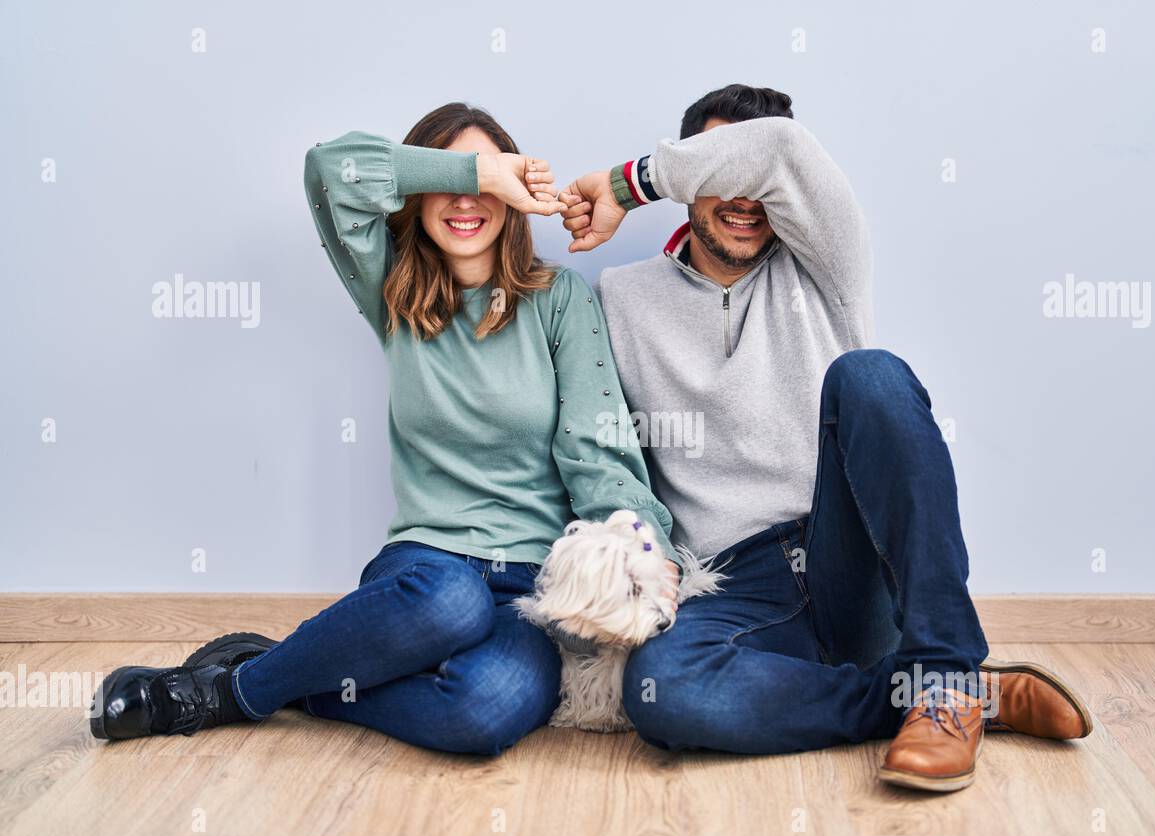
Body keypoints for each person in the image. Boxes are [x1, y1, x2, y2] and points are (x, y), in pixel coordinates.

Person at [90, 103, 678, 755]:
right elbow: (328, 170)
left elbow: (598, 450)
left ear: (511, 203)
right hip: (427, 569)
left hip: (528, 580)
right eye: (451, 184)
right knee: (452, 603)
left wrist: (647, 551)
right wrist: (478, 169)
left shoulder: (559, 299)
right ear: (419, 198)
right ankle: (222, 694)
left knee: (486, 712)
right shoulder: (394, 289)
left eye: (485, 188)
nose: (467, 201)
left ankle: (290, 676)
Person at [558, 85, 1091, 792]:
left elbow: (783, 150)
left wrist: (629, 185)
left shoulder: (827, 263)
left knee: (870, 376)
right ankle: (942, 700)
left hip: (851, 556)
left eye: (755, 177)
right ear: (693, 180)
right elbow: (604, 453)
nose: (744, 195)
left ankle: (941, 676)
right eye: (721, 172)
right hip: (736, 584)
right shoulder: (621, 298)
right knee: (668, 694)